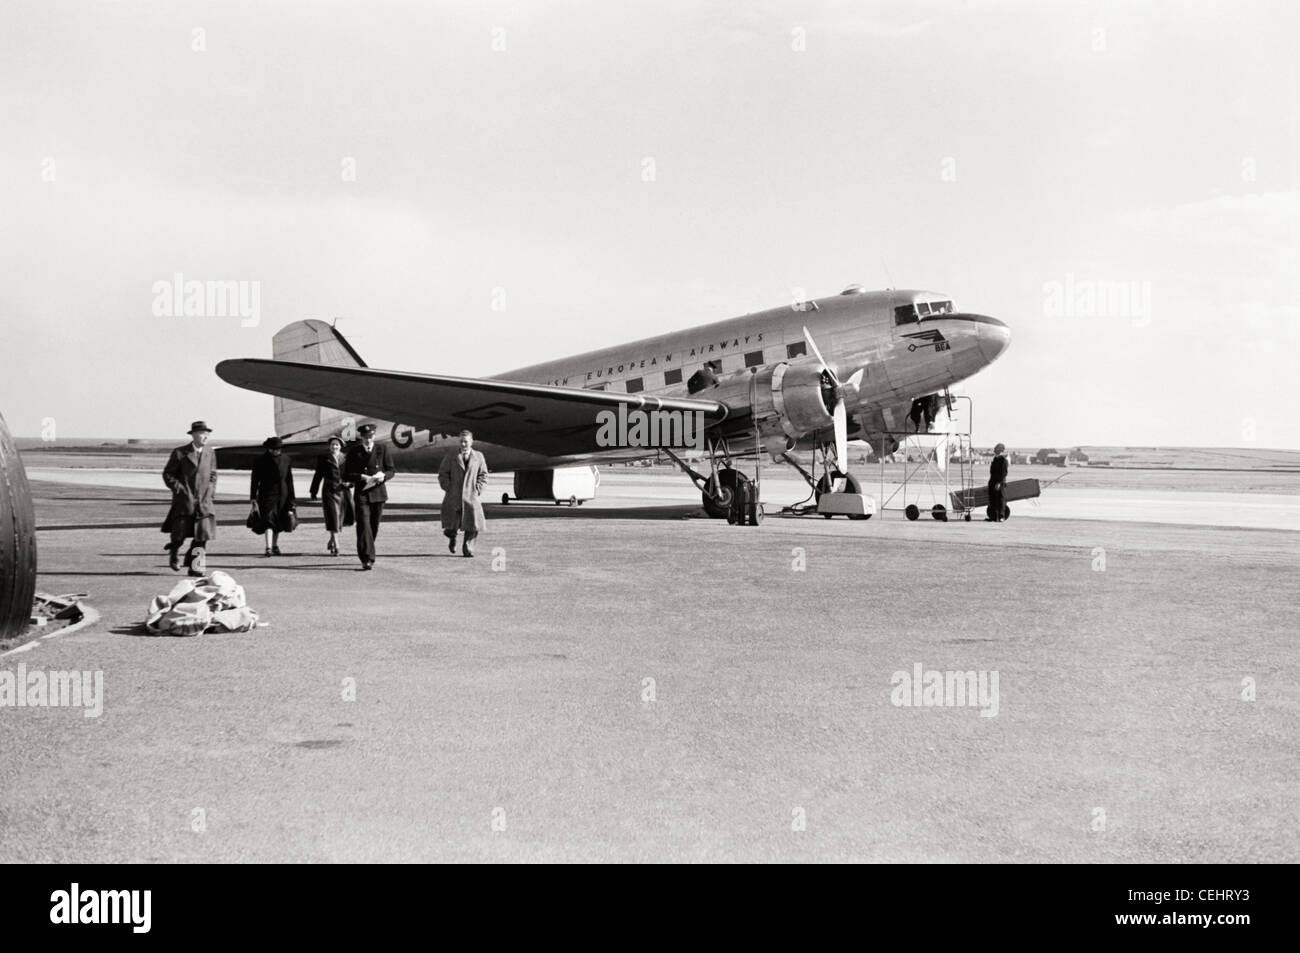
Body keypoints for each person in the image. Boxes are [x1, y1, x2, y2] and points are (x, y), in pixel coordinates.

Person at [162, 420, 218, 577]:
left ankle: (196, 567)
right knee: (179, 534)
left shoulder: (210, 452)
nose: (205, 437)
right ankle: (174, 552)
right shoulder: (180, 452)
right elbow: (168, 474)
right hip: (185, 501)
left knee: (202, 535)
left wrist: (211, 491)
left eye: (207, 434)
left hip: (204, 500)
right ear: (193, 435)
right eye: (202, 433)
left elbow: (213, 474)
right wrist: (180, 490)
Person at [344, 423, 394, 570]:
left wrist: (383, 476)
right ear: (361, 437)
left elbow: (391, 470)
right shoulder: (354, 452)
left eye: (370, 437)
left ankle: (368, 550)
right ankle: (367, 558)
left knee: (373, 527)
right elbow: (346, 474)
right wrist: (361, 477)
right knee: (364, 526)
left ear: (374, 436)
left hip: (379, 494)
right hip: (362, 494)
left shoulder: (382, 449)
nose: (368, 440)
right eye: (365, 437)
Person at [438, 429, 489, 557]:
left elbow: (483, 475)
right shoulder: (451, 456)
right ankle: (452, 536)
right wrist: (449, 488)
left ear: (471, 442)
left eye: (466, 442)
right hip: (454, 495)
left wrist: (478, 489)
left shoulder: (479, 456)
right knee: (452, 524)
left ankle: (468, 548)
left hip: (471, 496)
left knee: (473, 523)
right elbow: (443, 474)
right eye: (461, 441)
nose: (463, 444)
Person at [250, 436, 296, 555]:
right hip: (266, 494)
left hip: (283, 495)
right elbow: (254, 480)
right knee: (268, 520)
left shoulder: (286, 459)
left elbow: (289, 480)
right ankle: (268, 547)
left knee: (279, 521)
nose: (277, 450)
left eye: (279, 448)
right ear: (269, 449)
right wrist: (253, 497)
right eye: (275, 448)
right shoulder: (260, 460)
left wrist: (292, 499)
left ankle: (275, 545)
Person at [310, 435, 353, 556]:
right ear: (329, 446)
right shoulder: (324, 458)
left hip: (343, 491)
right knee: (333, 516)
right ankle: (337, 544)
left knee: (340, 518)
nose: (334, 446)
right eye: (332, 445)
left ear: (341, 446)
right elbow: (318, 475)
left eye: (337, 445)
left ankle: (332, 539)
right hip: (329, 491)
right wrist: (313, 491)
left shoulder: (346, 458)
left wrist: (350, 483)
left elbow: (351, 473)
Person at [986, 442, 1008, 522]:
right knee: (992, 499)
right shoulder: (995, 459)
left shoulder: (1003, 460)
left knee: (1001, 499)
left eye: (996, 448)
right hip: (992, 481)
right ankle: (993, 517)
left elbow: (1004, 473)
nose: (994, 450)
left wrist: (999, 483)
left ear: (1000, 450)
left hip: (1000, 482)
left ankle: (1001, 516)